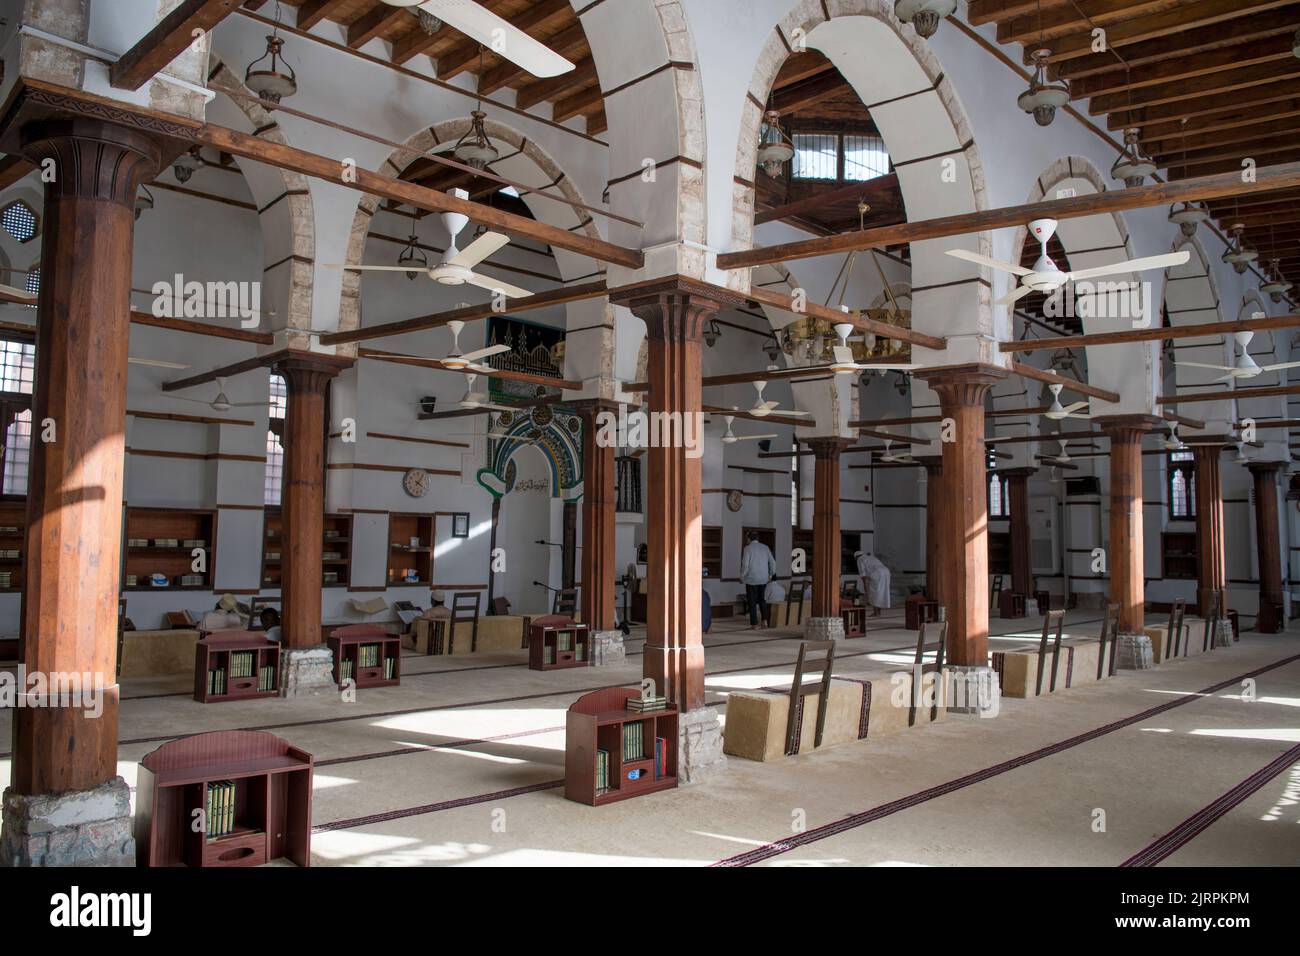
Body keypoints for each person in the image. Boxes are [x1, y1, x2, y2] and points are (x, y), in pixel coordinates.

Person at [739, 531, 777, 630]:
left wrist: (742, 577)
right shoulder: (765, 547)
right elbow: (773, 562)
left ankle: (754, 624)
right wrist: (770, 574)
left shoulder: (747, 549)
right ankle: (765, 621)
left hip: (751, 579)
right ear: (757, 538)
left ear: (748, 539)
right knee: (762, 600)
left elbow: (745, 564)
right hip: (763, 578)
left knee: (751, 601)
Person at [855, 550, 892, 617]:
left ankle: (876, 613)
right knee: (881, 592)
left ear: (856, 557)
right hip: (886, 571)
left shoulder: (859, 559)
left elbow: (863, 576)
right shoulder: (870, 557)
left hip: (877, 573)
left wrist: (866, 590)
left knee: (874, 592)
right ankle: (879, 612)